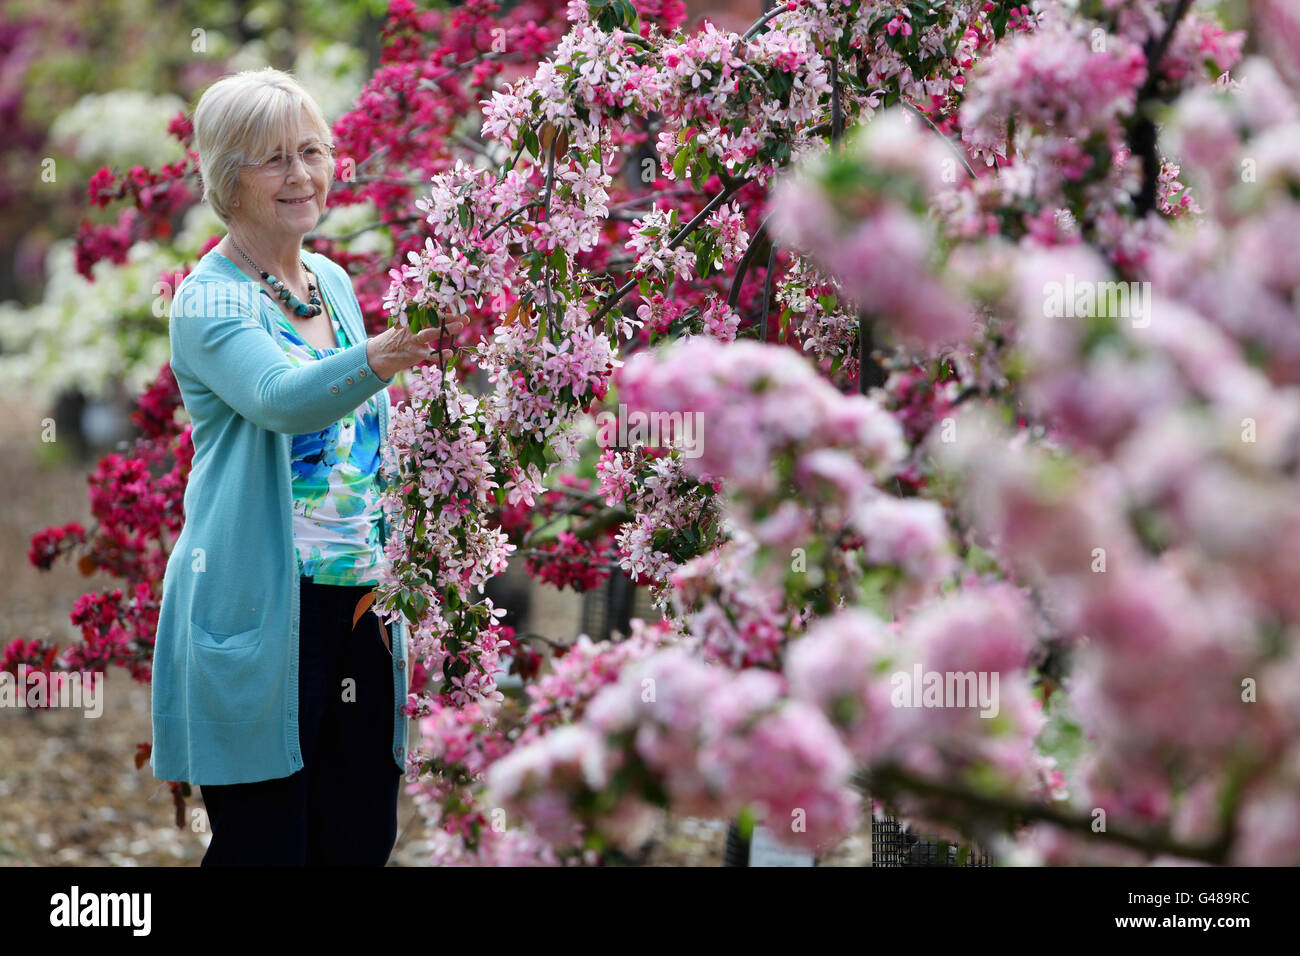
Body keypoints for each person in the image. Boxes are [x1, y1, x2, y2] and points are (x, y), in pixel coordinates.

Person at [149, 67, 463, 866]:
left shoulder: (330, 282)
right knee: (265, 847)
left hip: (362, 603)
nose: (300, 175)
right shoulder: (209, 300)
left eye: (311, 151)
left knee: (358, 839)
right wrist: (383, 356)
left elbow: (361, 429)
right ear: (227, 177)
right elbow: (282, 398)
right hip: (261, 605)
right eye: (272, 159)